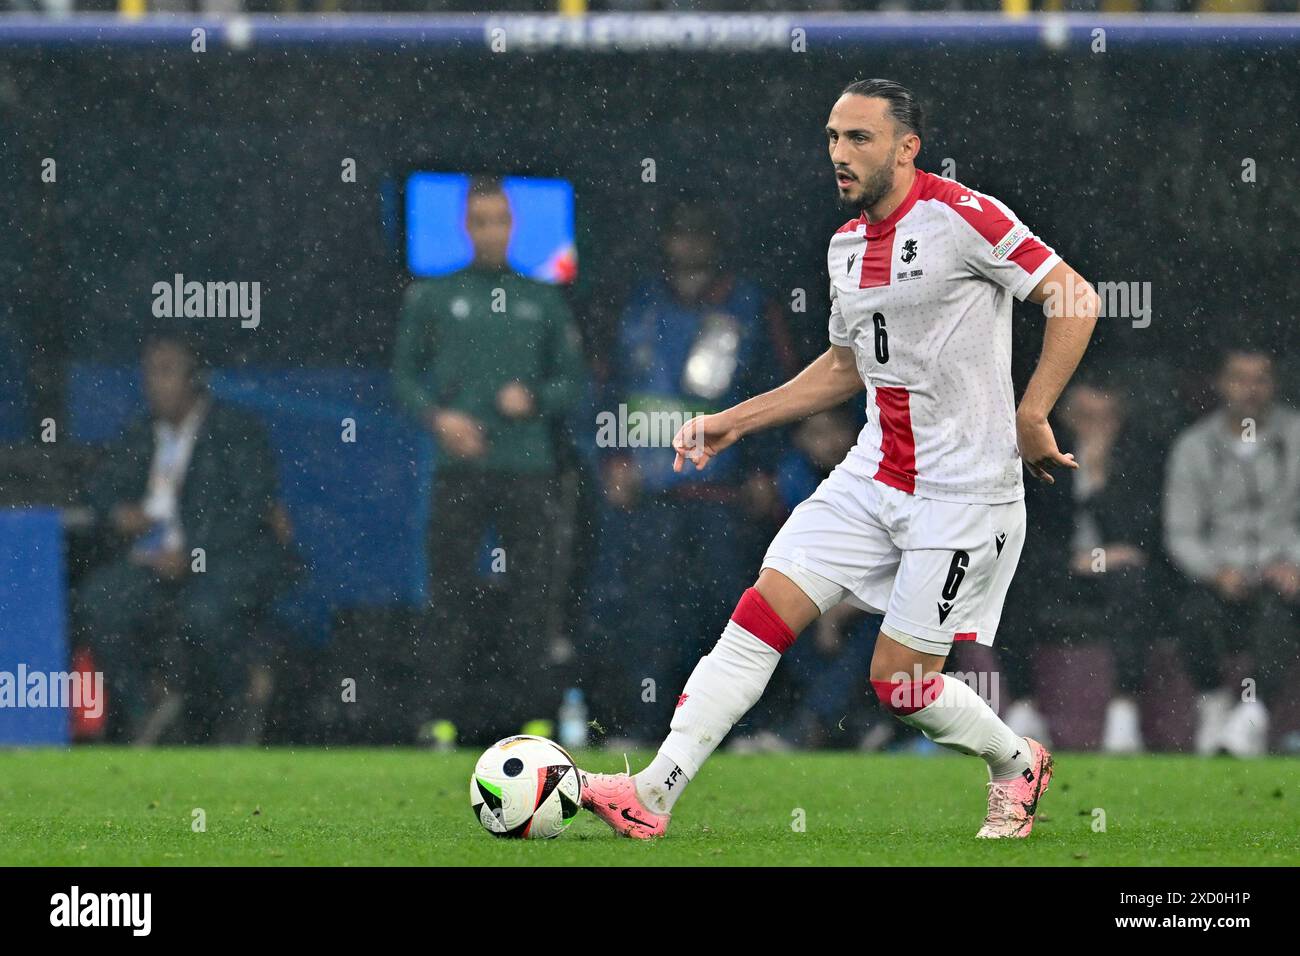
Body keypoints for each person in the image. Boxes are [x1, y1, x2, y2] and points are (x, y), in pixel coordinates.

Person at [578, 78, 1098, 839]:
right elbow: (842, 366)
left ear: (907, 147)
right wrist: (734, 422)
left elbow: (1074, 297)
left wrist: (1032, 411)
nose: (840, 154)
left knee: (901, 687)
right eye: (832, 137)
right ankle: (652, 795)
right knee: (757, 619)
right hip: (870, 475)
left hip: (965, 493)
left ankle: (1018, 762)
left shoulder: (964, 216)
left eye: (859, 138)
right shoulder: (846, 245)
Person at [585, 199, 794, 744]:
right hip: (650, 489)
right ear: (666, 240)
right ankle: (644, 726)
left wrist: (765, 470)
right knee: (648, 613)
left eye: (700, 233)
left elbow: (778, 390)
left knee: (731, 613)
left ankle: (741, 729)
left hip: (722, 493)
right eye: (680, 233)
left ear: (717, 241)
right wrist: (612, 458)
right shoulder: (636, 301)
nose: (690, 245)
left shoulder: (749, 304)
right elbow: (604, 387)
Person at [392, 175, 587, 745]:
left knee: (533, 597)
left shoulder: (542, 298)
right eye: (480, 221)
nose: (491, 232)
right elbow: (404, 377)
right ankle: (441, 718)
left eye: (500, 220)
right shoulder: (431, 297)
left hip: (529, 468)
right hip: (460, 472)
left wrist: (535, 399)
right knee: (448, 595)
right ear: (465, 226)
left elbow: (571, 380)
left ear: (513, 225)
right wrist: (440, 419)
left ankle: (534, 720)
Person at [79, 333, 285, 743]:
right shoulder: (140, 432)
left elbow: (251, 508)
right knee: (99, 603)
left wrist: (194, 553)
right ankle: (148, 706)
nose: (154, 382)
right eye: (150, 372)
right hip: (153, 561)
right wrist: (120, 513)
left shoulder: (233, 430)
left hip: (220, 560)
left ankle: (239, 699)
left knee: (204, 615)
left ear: (195, 377)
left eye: (166, 370)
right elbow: (97, 490)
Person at [1163, 348, 1300, 755]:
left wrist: (1293, 562)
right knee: (1193, 613)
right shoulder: (1193, 446)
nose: (1250, 389)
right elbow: (1180, 531)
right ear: (1221, 384)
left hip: (1283, 577)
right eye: (1239, 378)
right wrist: (1214, 570)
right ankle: (1214, 705)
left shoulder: (1296, 437)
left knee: (1279, 613)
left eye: (1260, 378)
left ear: (1274, 384)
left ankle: (1251, 716)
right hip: (1220, 577)